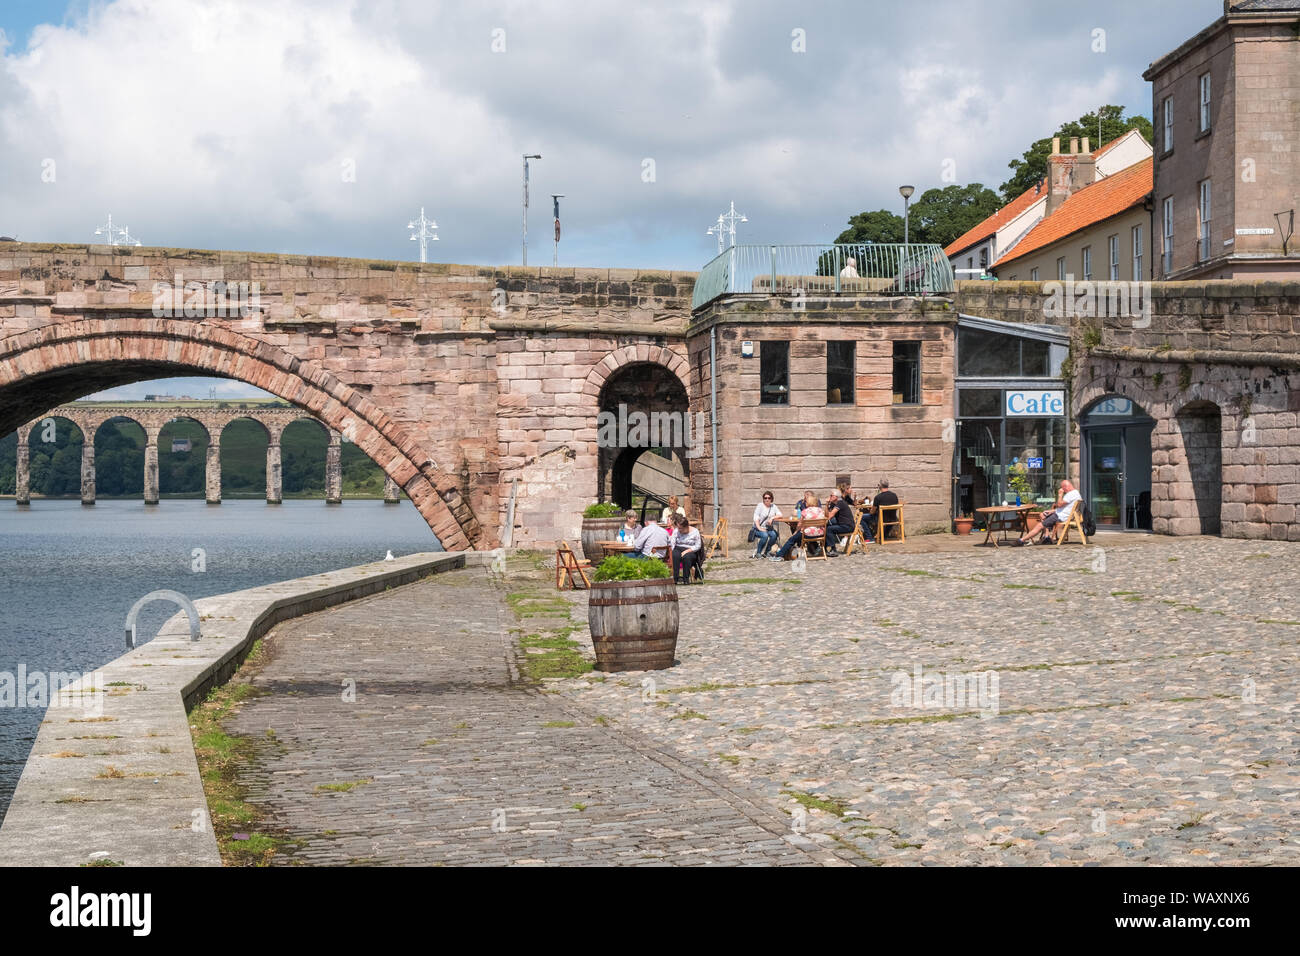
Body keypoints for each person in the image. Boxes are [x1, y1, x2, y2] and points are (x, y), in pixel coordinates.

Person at [1019, 480, 1081, 545]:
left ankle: (1022, 540)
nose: (1062, 490)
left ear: (1066, 487)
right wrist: (1052, 511)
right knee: (1042, 515)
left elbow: (1059, 504)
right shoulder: (1076, 493)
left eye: (1062, 488)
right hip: (1062, 514)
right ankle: (1046, 537)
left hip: (1061, 516)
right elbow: (1065, 508)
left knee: (1040, 525)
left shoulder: (1071, 494)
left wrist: (1060, 495)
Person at [773, 495, 825, 560]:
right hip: (820, 534)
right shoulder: (821, 511)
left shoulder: (805, 512)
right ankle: (814, 549)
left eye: (806, 502)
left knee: (791, 540)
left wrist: (795, 531)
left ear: (809, 503)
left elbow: (800, 524)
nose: (805, 503)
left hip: (808, 534)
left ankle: (779, 555)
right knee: (797, 537)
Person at [670, 515, 703, 584]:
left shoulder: (695, 532)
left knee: (686, 557)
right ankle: (675, 578)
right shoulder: (676, 531)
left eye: (681, 528)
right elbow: (672, 543)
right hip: (678, 547)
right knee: (675, 555)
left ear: (687, 526)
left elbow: (698, 545)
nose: (679, 530)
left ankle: (686, 579)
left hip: (691, 549)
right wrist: (672, 551)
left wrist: (687, 550)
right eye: (678, 528)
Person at [751, 491, 783, 558]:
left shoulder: (773, 506)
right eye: (765, 498)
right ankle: (758, 553)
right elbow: (756, 517)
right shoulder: (760, 506)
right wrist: (759, 528)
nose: (767, 499)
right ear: (763, 499)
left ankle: (766, 552)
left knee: (774, 535)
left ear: (771, 499)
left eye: (769, 498)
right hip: (757, 528)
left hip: (768, 528)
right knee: (765, 535)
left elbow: (780, 515)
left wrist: (772, 518)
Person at [824, 490, 855, 556]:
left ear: (836, 497)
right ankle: (824, 548)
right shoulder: (833, 504)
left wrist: (827, 516)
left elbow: (830, 516)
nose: (830, 497)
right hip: (842, 524)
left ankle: (833, 550)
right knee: (826, 526)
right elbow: (827, 515)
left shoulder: (840, 503)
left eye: (831, 495)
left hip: (848, 526)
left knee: (829, 529)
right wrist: (827, 504)